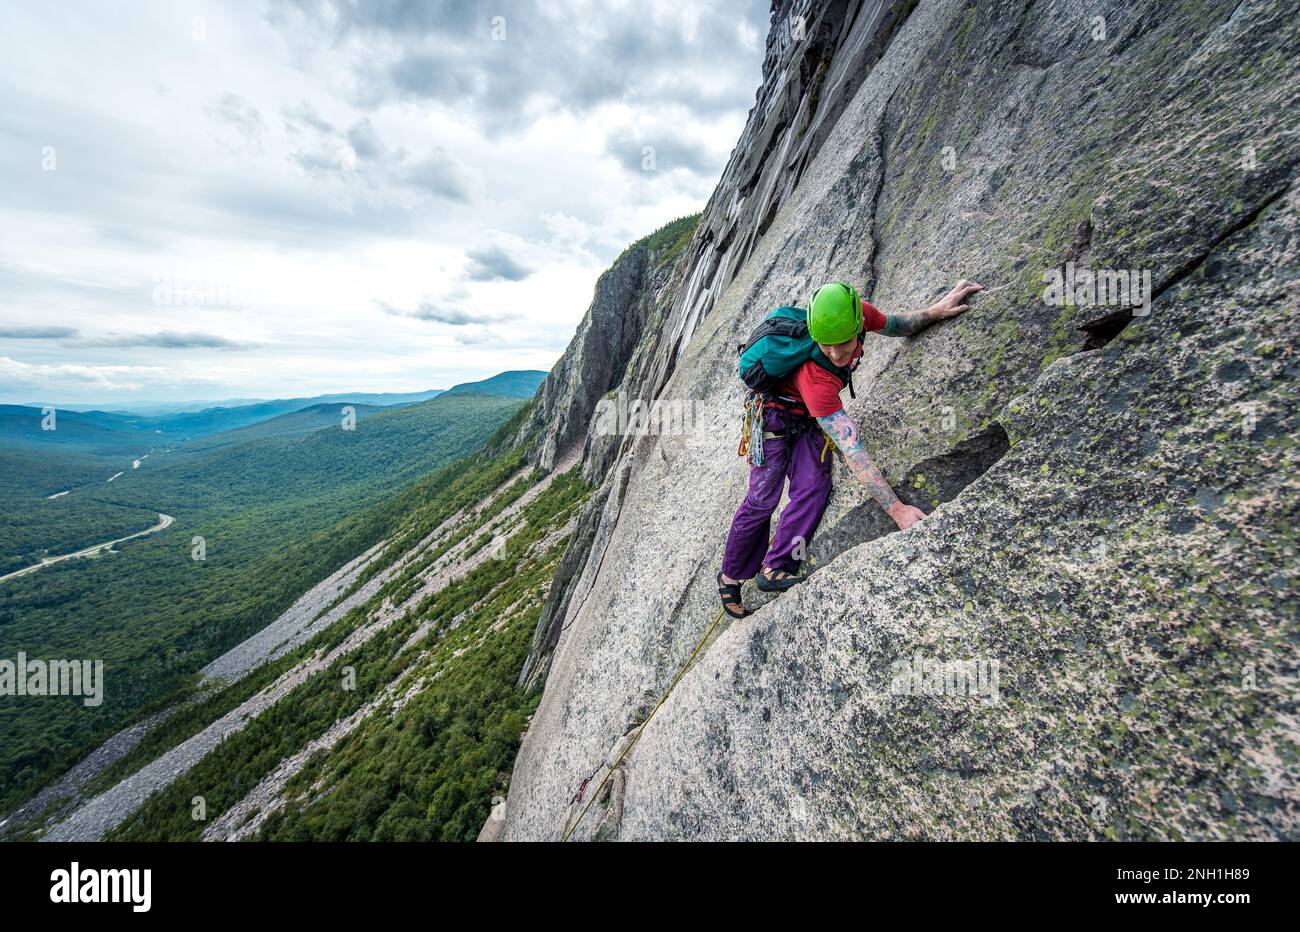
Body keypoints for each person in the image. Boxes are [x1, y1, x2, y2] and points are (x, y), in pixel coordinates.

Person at [717, 278, 985, 618]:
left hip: (807, 419)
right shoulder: (817, 378)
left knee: (814, 486)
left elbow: (896, 325)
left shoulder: (861, 316)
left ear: (858, 326)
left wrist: (935, 312)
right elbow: (853, 451)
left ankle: (776, 567)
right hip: (773, 415)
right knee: (763, 498)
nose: (834, 353)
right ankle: (731, 574)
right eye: (825, 345)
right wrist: (897, 509)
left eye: (841, 344)